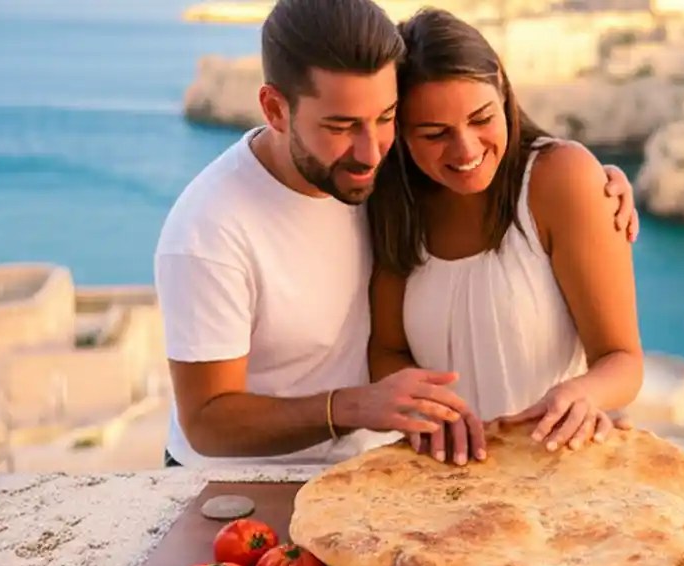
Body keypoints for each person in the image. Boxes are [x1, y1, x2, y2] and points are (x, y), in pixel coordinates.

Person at [153, 0, 639, 468]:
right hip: (236, 479)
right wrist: (354, 407)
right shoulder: (210, 231)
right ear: (276, 111)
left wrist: (595, 186)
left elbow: (489, 158)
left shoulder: (378, 175)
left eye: (385, 118)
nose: (370, 151)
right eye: (341, 125)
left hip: (363, 467)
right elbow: (205, 422)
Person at [366, 8, 643, 466]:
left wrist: (580, 394)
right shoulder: (394, 203)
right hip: (440, 478)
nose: (466, 150)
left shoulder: (562, 179)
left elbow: (622, 359)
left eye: (481, 118)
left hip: (558, 465)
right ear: (399, 133)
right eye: (434, 134)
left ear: (502, 89)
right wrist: (428, 409)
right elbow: (387, 351)